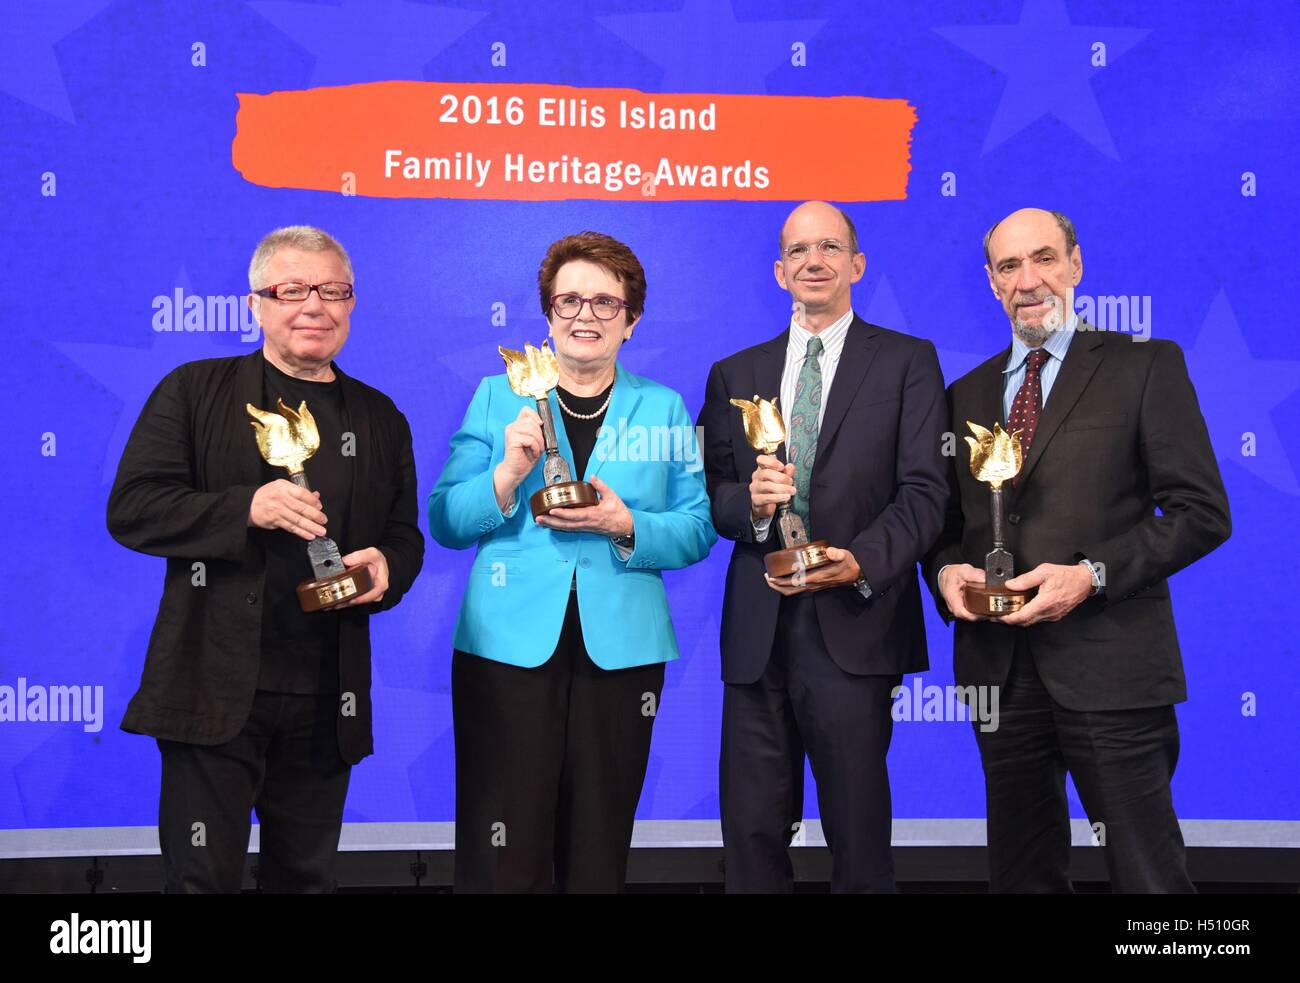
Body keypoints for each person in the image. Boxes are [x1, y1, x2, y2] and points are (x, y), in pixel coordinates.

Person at [107, 225, 424, 892]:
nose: (315, 305)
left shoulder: (380, 416)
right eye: (292, 289)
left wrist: (386, 570)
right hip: (213, 687)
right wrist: (247, 508)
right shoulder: (194, 392)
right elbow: (133, 507)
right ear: (255, 304)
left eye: (333, 290)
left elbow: (404, 537)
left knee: (306, 880)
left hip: (323, 695)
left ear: (352, 304)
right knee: (201, 879)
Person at [923, 207, 1231, 893]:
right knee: (1022, 875)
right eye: (1009, 266)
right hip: (999, 671)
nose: (1028, 280)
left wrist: (1091, 575)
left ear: (1076, 265)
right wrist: (945, 571)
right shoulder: (963, 394)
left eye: (1043, 258)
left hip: (1112, 665)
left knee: (1149, 877)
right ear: (990, 281)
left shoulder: (1145, 366)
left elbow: (1202, 513)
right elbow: (944, 525)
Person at [428, 231, 716, 893]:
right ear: (548, 313)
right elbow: (445, 518)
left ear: (632, 320)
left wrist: (626, 524)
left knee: (598, 837)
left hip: (621, 649)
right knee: (505, 837)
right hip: (505, 644)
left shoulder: (664, 407)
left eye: (605, 303)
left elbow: (696, 530)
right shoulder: (496, 395)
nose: (585, 315)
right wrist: (506, 474)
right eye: (569, 301)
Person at [698, 201, 949, 892]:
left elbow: (926, 492)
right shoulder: (733, 373)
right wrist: (747, 504)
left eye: (831, 247)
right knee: (749, 839)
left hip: (856, 626)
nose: (815, 260)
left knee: (860, 840)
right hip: (758, 633)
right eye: (800, 250)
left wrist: (860, 559)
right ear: (780, 272)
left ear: (856, 265)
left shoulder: (907, 363)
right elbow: (710, 492)